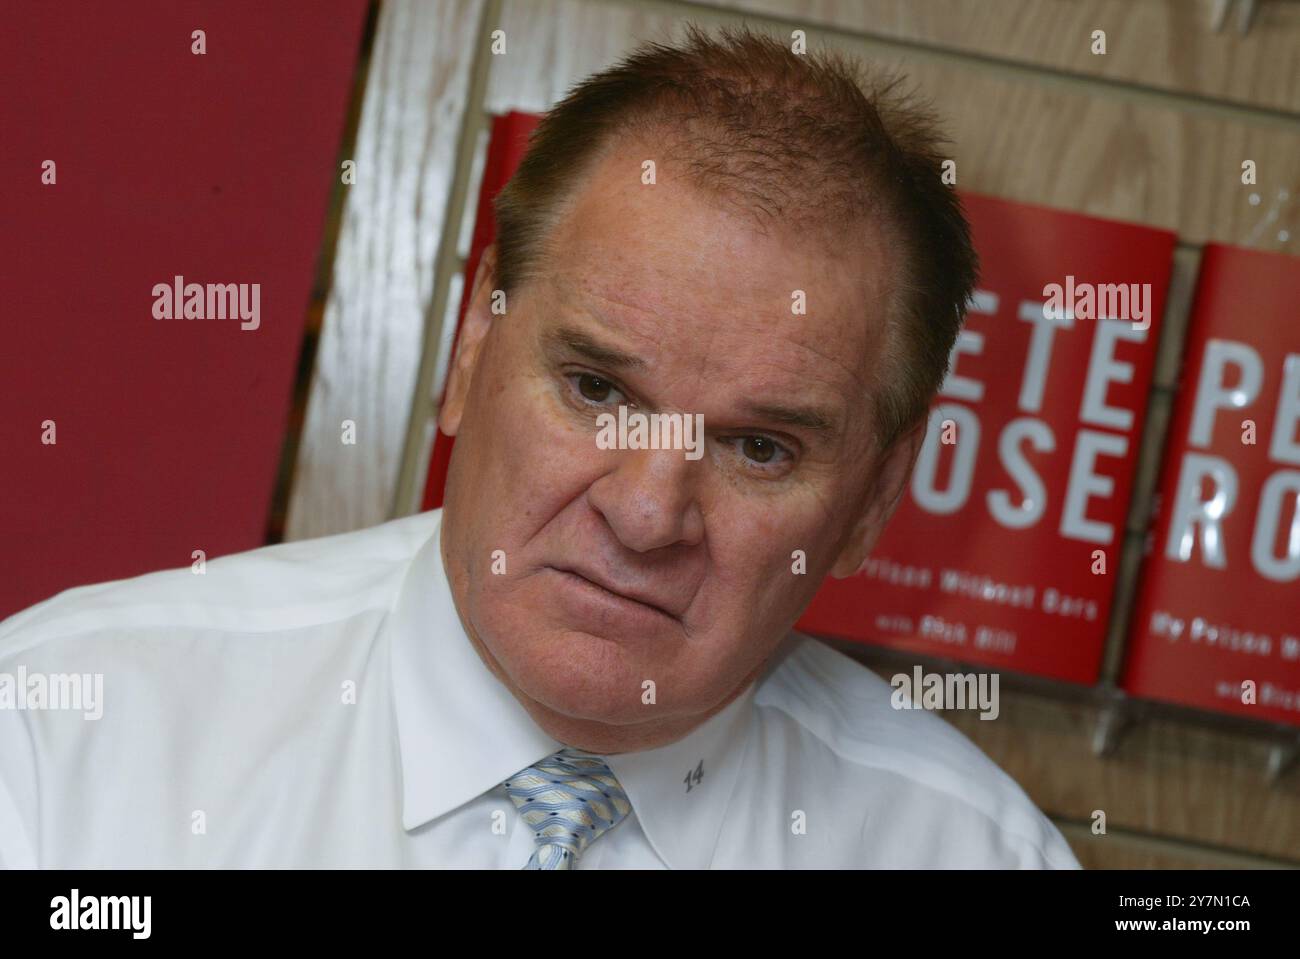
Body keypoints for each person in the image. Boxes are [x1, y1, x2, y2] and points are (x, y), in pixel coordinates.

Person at [0, 25, 1079, 869]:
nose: (648, 512)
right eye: (597, 387)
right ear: (472, 345)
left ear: (877, 499)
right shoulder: (68, 738)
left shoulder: (977, 858)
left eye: (757, 446)